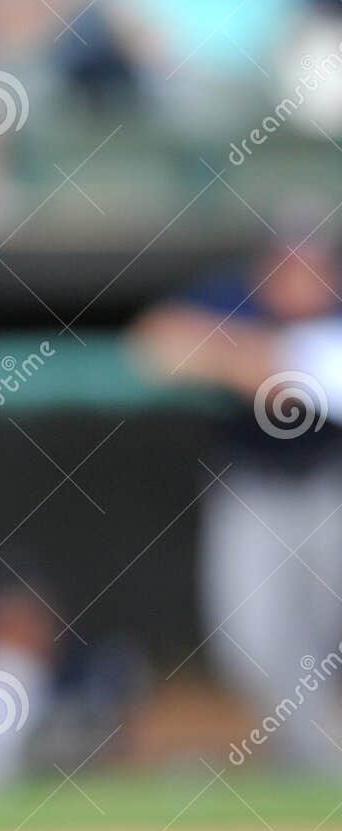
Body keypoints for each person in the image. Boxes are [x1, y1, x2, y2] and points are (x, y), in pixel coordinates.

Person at [129, 229, 342, 767]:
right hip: (253, 492)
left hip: (330, 489)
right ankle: (316, 763)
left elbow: (307, 374)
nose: (300, 277)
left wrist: (285, 364)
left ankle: (319, 761)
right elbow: (155, 345)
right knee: (250, 643)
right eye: (288, 262)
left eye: (313, 263)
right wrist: (258, 360)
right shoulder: (235, 298)